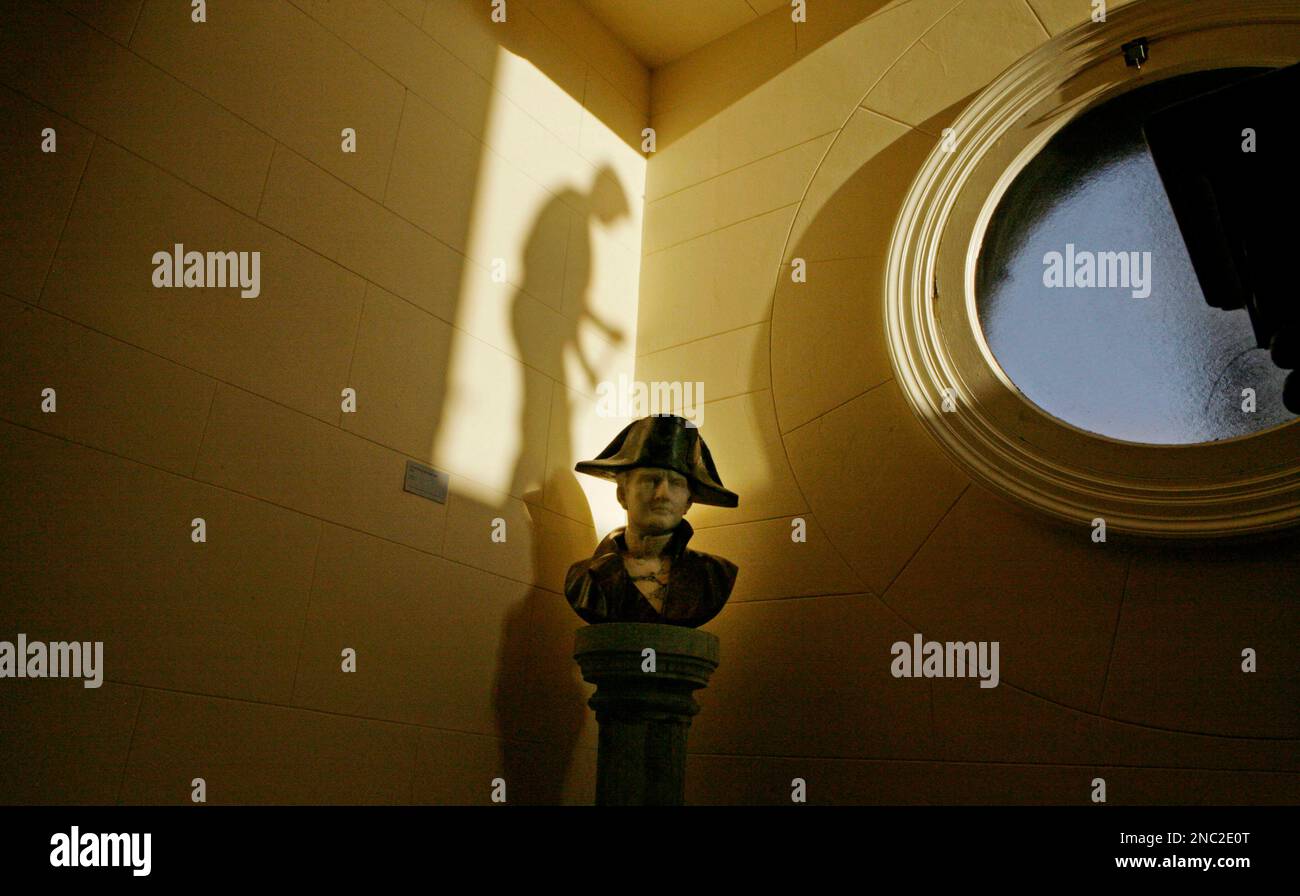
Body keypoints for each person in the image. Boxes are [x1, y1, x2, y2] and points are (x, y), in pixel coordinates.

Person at [564, 415, 739, 627]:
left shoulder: (714, 576)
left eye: (675, 483)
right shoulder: (585, 579)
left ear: (688, 502)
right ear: (622, 494)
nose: (662, 494)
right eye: (651, 480)